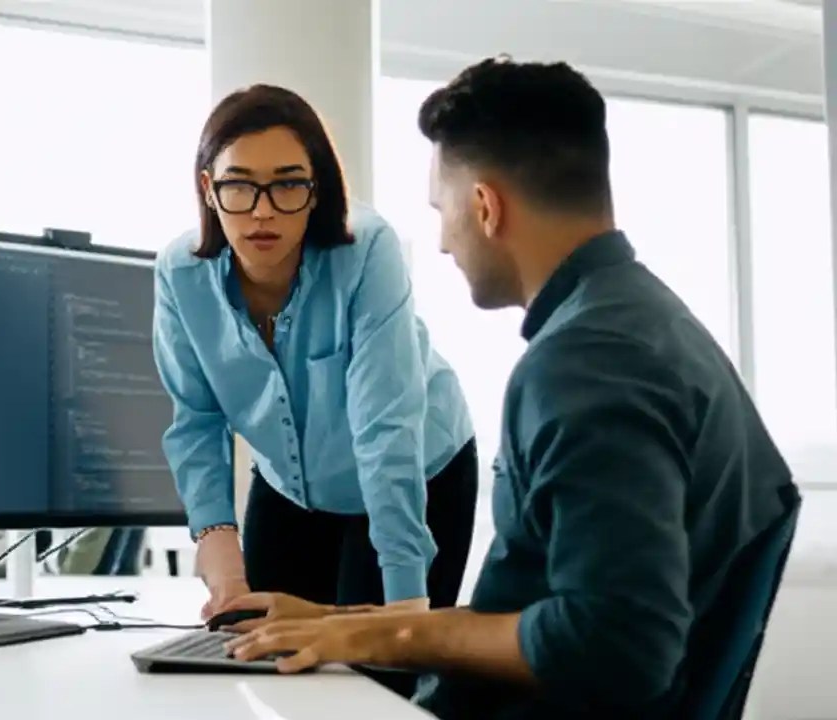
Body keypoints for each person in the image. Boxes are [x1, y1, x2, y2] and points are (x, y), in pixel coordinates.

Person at [223, 58, 800, 719]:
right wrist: (340, 621)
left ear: (486, 206)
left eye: (443, 212)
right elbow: (560, 612)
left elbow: (618, 642)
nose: (442, 243)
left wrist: (382, 632)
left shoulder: (588, 362)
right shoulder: (645, 325)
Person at [152, 84, 478, 619]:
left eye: (287, 186)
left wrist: (404, 611)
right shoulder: (180, 274)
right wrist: (224, 570)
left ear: (317, 189)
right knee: (260, 647)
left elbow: (385, 424)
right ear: (208, 189)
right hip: (290, 487)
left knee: (374, 676)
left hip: (413, 472)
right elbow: (196, 422)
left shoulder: (367, 249)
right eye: (239, 186)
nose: (262, 213)